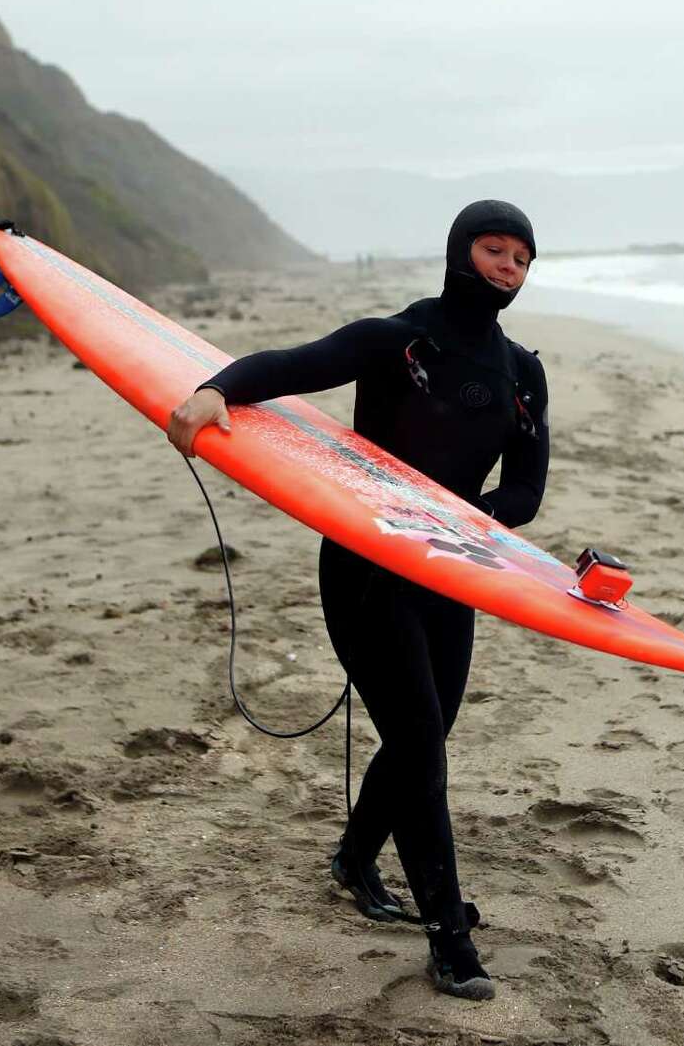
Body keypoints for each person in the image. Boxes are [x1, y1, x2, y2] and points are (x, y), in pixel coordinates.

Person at [165, 201, 549, 1002]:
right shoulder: (397, 338)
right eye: (493, 249)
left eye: (521, 257)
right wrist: (215, 390)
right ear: (458, 250)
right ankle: (450, 937)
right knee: (419, 746)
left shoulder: (522, 372)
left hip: (446, 567)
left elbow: (524, 489)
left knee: (427, 731)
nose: (507, 267)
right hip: (365, 568)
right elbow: (291, 365)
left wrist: (455, 518)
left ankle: (353, 857)